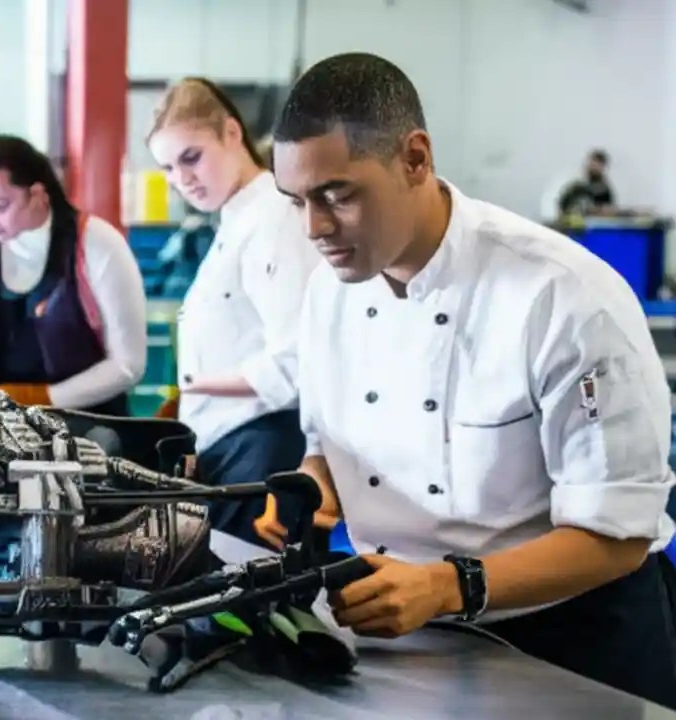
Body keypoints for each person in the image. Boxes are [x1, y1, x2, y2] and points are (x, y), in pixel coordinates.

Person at [268, 51, 676, 708]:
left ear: (415, 159)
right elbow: (326, 443)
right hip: (409, 639)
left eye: (337, 195)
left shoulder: (563, 298)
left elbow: (618, 535)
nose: (314, 228)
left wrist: (450, 585)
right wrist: (312, 487)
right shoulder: (329, 292)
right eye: (296, 202)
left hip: (571, 646)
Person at [145, 77, 320, 546]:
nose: (182, 179)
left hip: (264, 447)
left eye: (191, 157)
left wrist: (197, 384)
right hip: (228, 445)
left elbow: (297, 360)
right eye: (167, 167)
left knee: (247, 609)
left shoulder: (274, 219)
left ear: (231, 133)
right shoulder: (237, 219)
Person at [0, 134, 147, 416]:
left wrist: (38, 397)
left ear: (37, 195)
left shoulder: (97, 242)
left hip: (87, 425)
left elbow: (128, 365)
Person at [557, 148, 615, 217]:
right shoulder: (577, 185)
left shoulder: (604, 189)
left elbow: (607, 208)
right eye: (592, 164)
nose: (593, 167)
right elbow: (563, 204)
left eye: (597, 165)